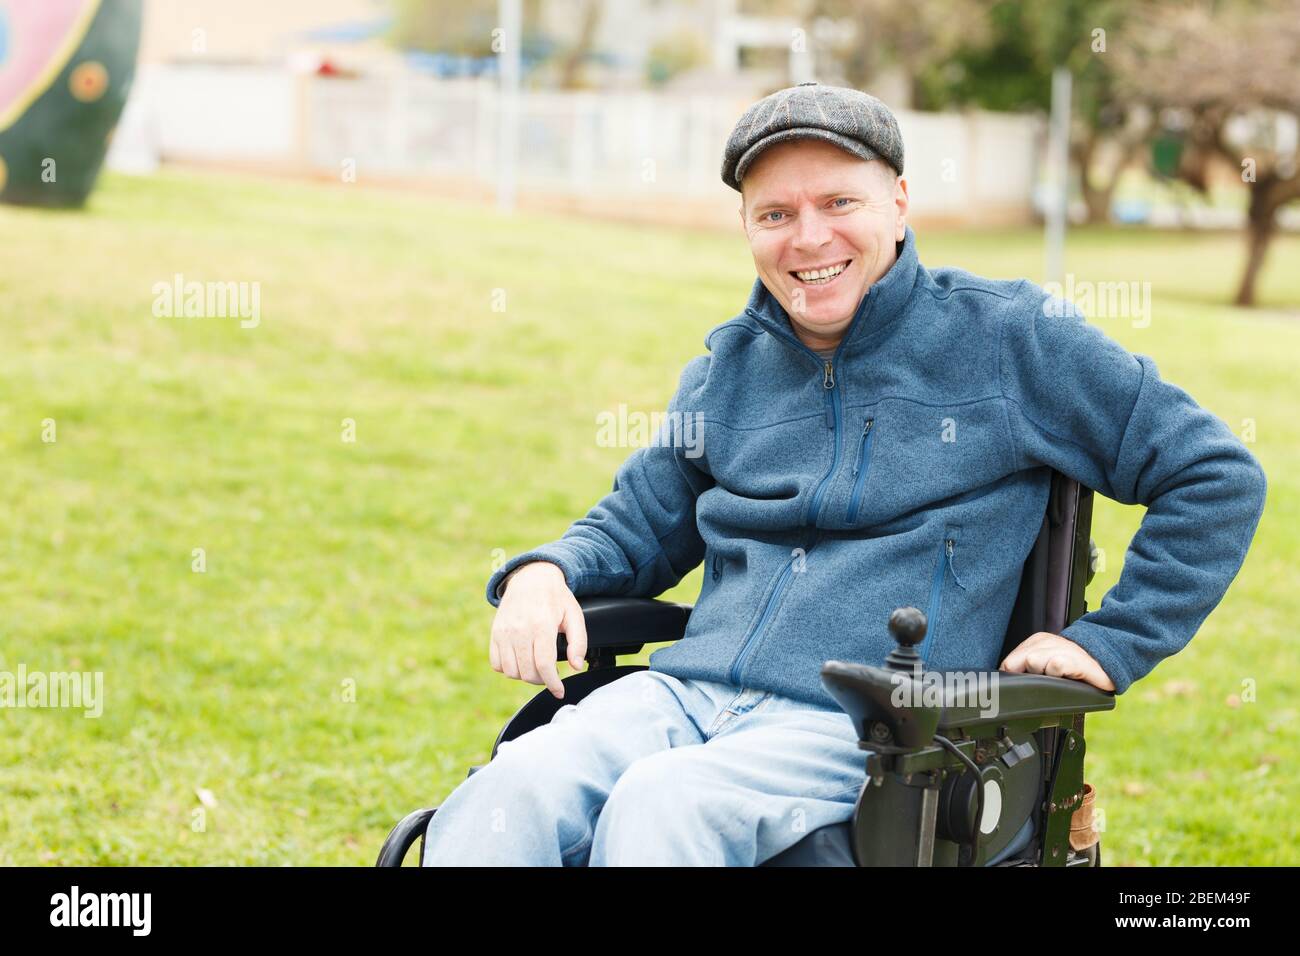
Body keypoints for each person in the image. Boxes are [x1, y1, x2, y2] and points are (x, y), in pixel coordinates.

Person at [422, 82, 1268, 866]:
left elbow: (1215, 474)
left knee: (664, 804)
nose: (809, 237)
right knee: (508, 793)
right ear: (748, 228)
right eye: (776, 213)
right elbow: (639, 522)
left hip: (875, 725)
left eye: (838, 203)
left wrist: (1108, 642)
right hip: (682, 697)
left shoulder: (1012, 339)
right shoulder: (728, 369)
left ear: (898, 202)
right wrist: (547, 571)